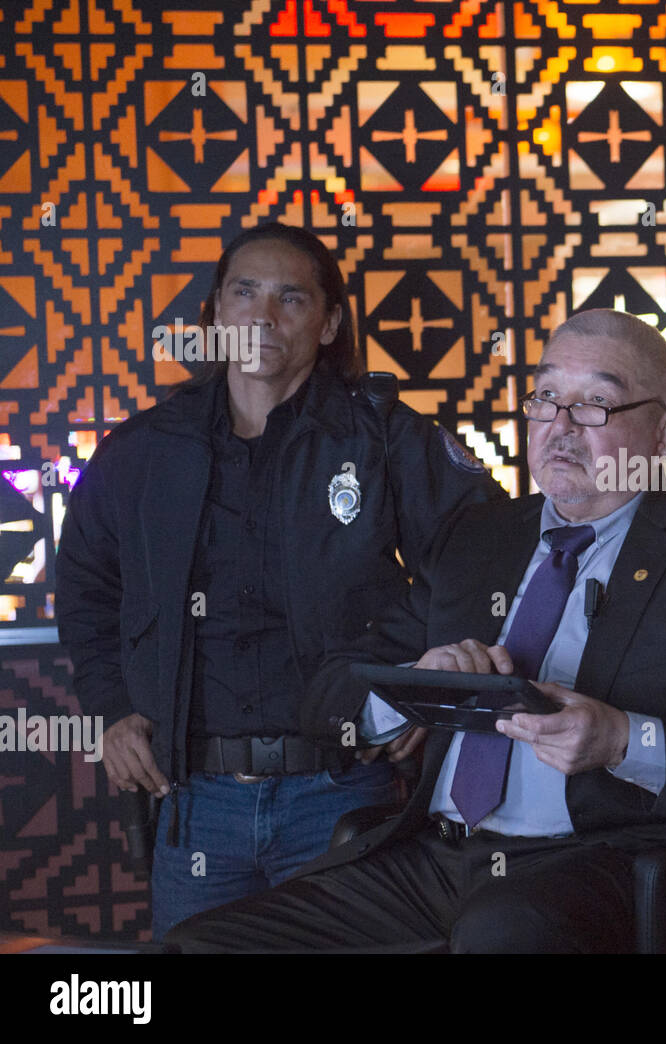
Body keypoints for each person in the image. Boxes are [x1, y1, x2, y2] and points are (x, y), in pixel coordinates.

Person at [163, 308, 666, 953]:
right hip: (433, 858)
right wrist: (415, 689)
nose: (561, 426)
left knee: (502, 932)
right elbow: (333, 691)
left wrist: (624, 739)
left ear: (663, 434)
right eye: (546, 397)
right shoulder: (476, 542)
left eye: (595, 404)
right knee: (200, 945)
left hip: (596, 860)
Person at [56, 222, 504, 939]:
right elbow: (84, 585)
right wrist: (109, 707)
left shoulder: (382, 437)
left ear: (329, 324)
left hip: (342, 795)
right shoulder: (145, 450)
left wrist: (417, 679)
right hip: (195, 803)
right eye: (245, 293)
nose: (263, 316)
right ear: (215, 314)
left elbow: (483, 554)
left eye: (291, 298)